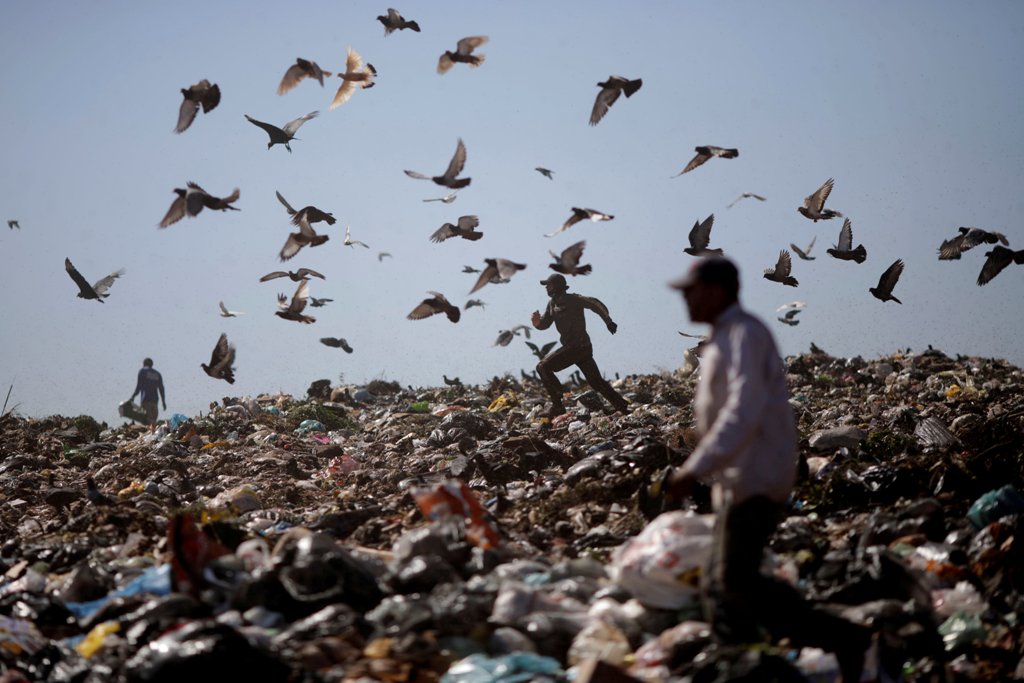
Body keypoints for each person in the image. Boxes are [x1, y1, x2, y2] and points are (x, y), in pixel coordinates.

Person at [666, 258, 872, 683]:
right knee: (724, 584)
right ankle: (746, 661)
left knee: (731, 584)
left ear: (718, 291)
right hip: (739, 480)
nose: (686, 298)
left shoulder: (745, 334)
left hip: (757, 477)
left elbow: (744, 409)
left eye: (693, 290)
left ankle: (836, 640)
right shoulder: (722, 338)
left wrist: (694, 468)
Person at [531, 274, 629, 418]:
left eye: (549, 285)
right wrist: (537, 323)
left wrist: (608, 321)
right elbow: (545, 323)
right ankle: (623, 407)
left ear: (557, 286)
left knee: (543, 367)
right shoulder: (552, 304)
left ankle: (558, 405)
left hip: (577, 346)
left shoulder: (573, 299)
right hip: (578, 348)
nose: (546, 287)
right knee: (596, 382)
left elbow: (594, 303)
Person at [130, 358, 166, 432]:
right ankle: (153, 436)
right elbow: (161, 388)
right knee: (153, 421)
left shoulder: (142, 371)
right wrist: (163, 402)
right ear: (152, 364)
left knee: (147, 421)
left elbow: (139, 386)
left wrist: (133, 396)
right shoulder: (157, 374)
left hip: (146, 400)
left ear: (144, 364)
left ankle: (150, 437)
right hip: (155, 401)